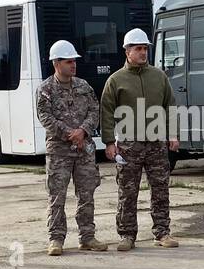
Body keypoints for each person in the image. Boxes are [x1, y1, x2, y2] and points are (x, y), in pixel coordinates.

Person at [99, 28, 178, 250]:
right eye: (138, 49)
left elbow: (170, 105)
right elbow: (106, 111)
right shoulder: (116, 80)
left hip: (156, 143)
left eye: (145, 49)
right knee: (127, 191)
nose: (143, 53)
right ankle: (127, 235)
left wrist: (173, 134)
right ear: (127, 51)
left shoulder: (159, 76)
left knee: (161, 189)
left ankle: (162, 232)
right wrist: (109, 142)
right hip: (128, 145)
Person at [36, 40, 106, 256]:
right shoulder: (45, 89)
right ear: (56, 63)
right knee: (57, 197)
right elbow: (45, 117)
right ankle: (56, 239)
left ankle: (87, 237)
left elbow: (95, 111)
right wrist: (70, 133)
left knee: (87, 195)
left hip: (83, 150)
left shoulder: (84, 86)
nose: (73, 65)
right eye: (68, 61)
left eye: (74, 61)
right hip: (59, 152)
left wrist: (83, 131)